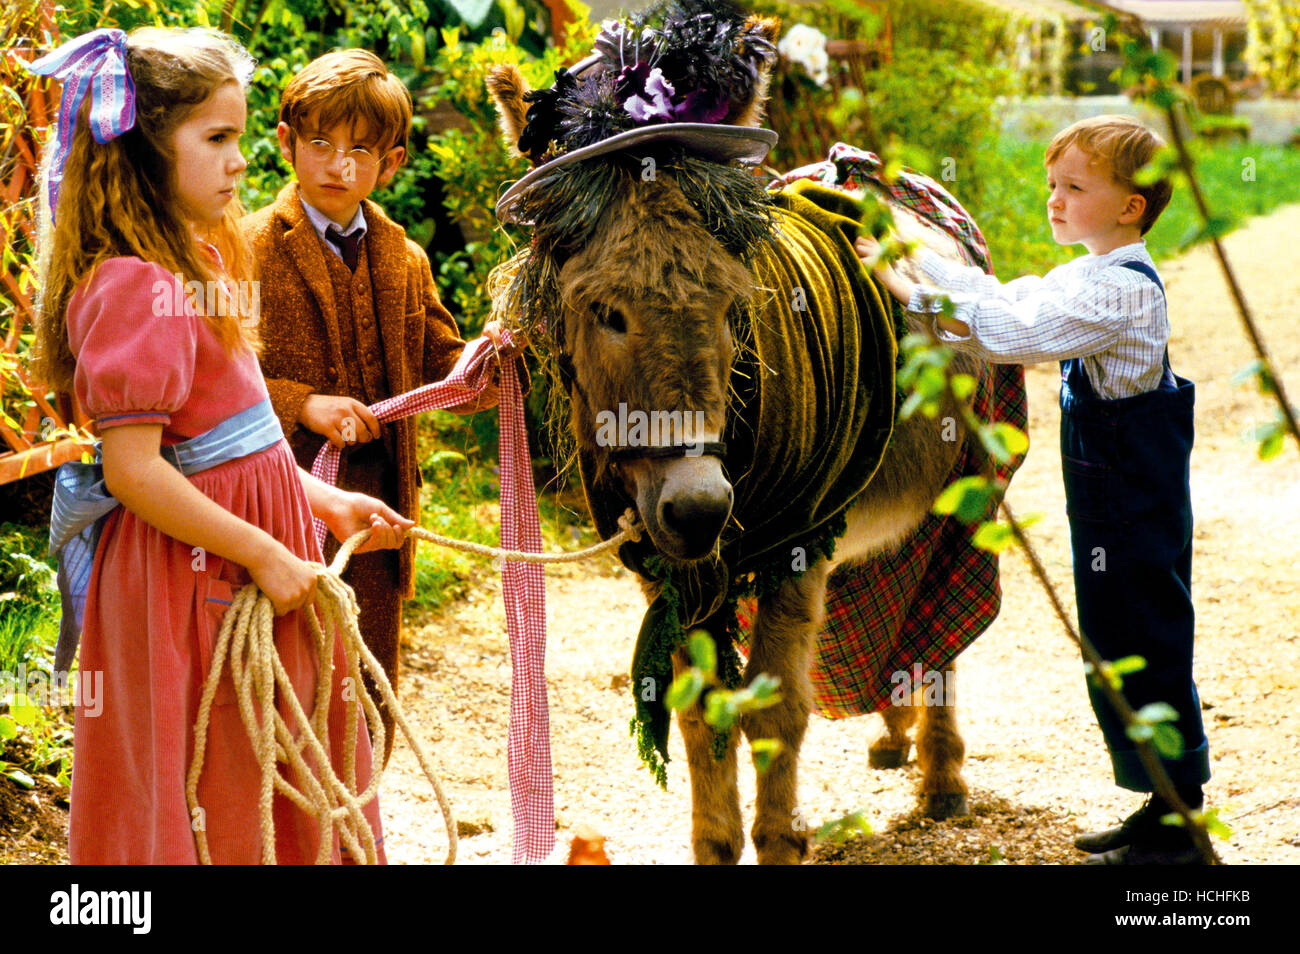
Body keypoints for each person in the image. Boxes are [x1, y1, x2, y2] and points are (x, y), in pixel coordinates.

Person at [31, 26, 411, 864]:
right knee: (212, 774)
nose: (241, 162)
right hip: (189, 582)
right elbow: (134, 472)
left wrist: (325, 502)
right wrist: (266, 556)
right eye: (218, 139)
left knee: (274, 761)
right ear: (142, 152)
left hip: (248, 565)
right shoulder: (135, 285)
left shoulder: (199, 262)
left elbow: (240, 446)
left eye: (239, 137)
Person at [856, 115, 1209, 865]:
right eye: (1052, 184)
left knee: (1148, 644)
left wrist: (900, 289)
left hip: (1136, 505)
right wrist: (907, 246)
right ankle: (1161, 806)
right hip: (1108, 503)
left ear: (1129, 208)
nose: (1054, 199)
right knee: (1113, 646)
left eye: (1073, 187)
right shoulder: (1090, 270)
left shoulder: (1123, 294)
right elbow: (993, 290)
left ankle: (1180, 829)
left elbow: (1009, 331)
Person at [243, 50, 501, 763]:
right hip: (274, 511)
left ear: (391, 163)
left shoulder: (404, 258)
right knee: (277, 687)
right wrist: (304, 404)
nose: (337, 164)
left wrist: (496, 357)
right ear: (286, 142)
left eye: (359, 149)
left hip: (381, 521)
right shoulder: (245, 249)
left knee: (368, 690)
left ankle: (358, 826)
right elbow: (214, 380)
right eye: (320, 143)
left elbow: (446, 369)